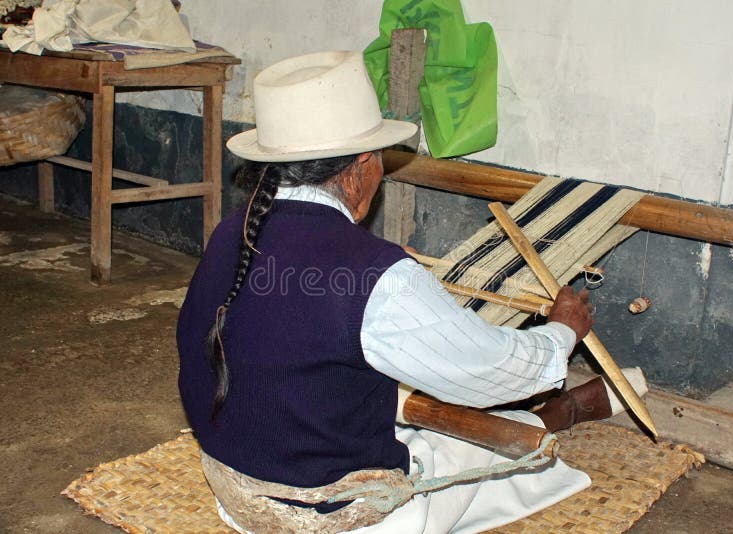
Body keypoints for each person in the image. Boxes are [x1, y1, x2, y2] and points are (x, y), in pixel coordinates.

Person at [177, 50, 647, 534]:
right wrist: (562, 332)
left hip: (237, 497)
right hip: (334, 519)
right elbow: (494, 370)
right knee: (463, 448)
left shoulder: (232, 231)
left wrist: (376, 268)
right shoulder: (376, 277)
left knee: (392, 405)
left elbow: (283, 314)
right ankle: (554, 416)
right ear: (362, 165)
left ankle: (547, 416)